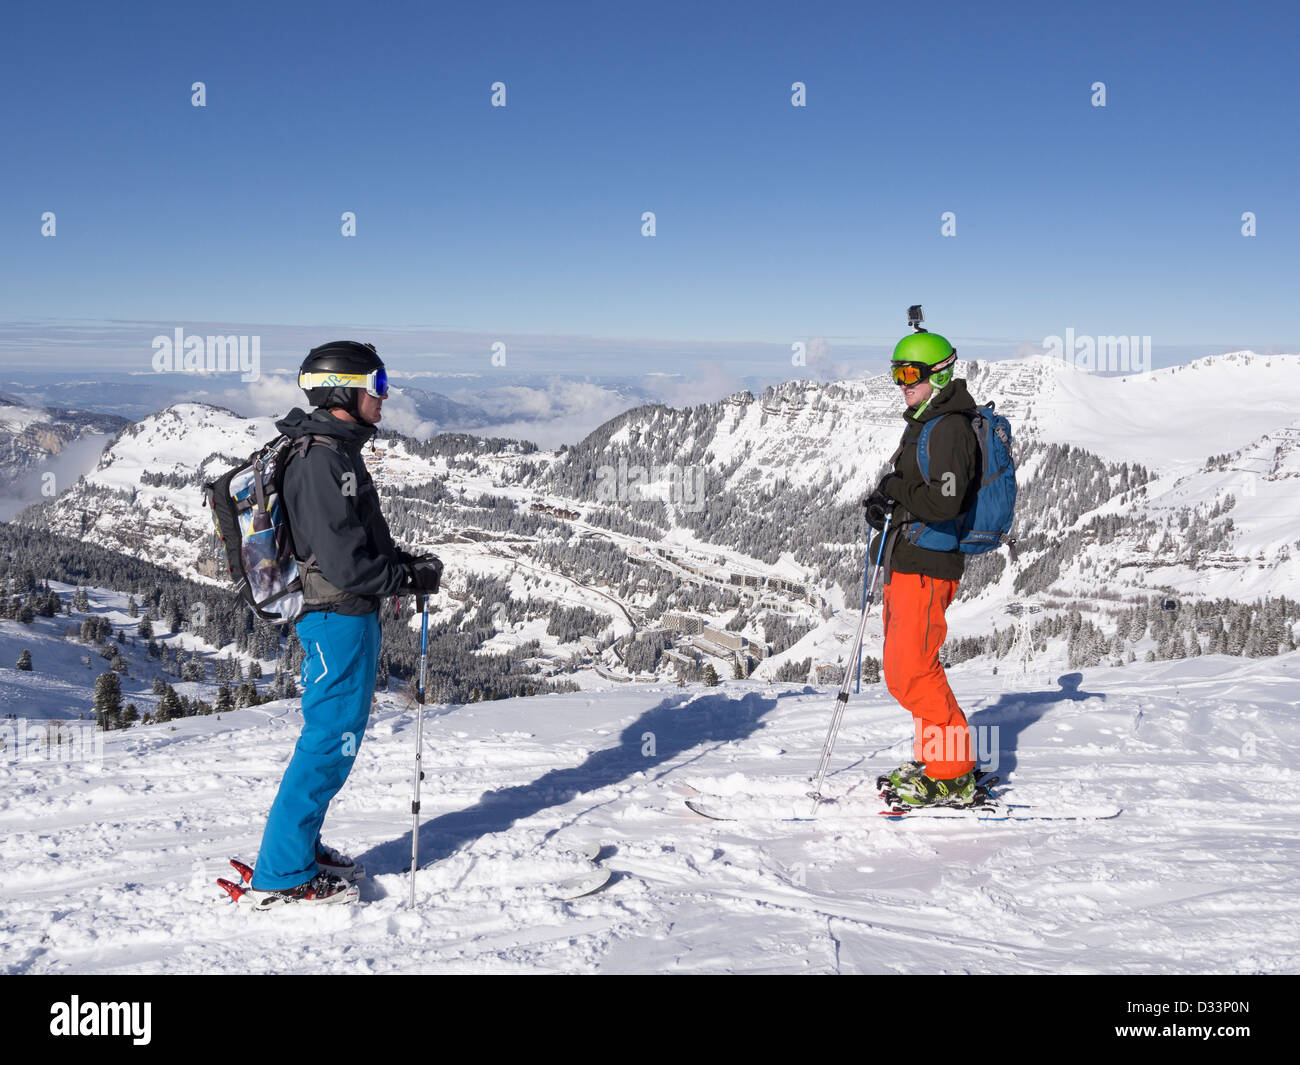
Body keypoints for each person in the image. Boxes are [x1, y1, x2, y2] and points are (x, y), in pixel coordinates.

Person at [246, 340, 443, 908]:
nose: (385, 398)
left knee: (334, 739)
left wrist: (404, 565)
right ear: (344, 392)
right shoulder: (320, 460)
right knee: (328, 741)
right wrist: (403, 580)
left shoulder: (336, 451)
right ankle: (284, 870)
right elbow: (344, 563)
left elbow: (356, 542)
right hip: (335, 618)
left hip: (346, 614)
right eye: (377, 387)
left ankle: (298, 849)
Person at [862, 327, 980, 807]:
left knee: (913, 672)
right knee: (906, 670)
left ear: (940, 373)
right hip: (907, 558)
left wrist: (895, 492)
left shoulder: (950, 426)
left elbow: (944, 501)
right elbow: (915, 489)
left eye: (910, 373)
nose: (901, 382)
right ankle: (937, 760)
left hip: (929, 566)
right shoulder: (925, 420)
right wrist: (884, 502)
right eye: (896, 372)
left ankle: (952, 773)